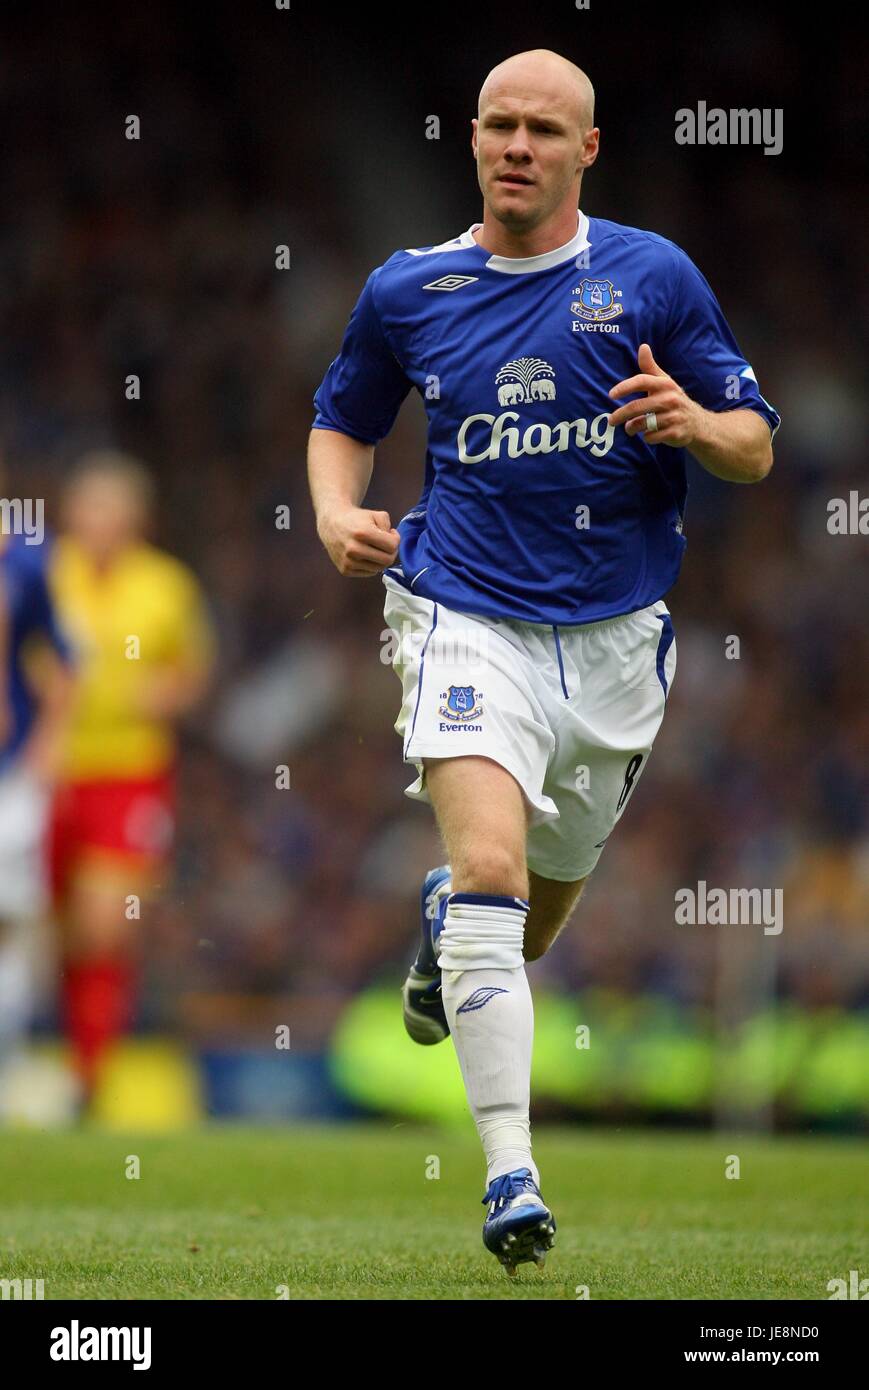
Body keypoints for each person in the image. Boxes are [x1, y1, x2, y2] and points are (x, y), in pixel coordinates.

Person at [308, 49, 780, 1274]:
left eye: (542, 129)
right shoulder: (408, 290)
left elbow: (753, 444)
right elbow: (342, 421)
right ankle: (510, 1170)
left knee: (532, 910)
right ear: (471, 137)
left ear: (585, 150)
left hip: (617, 641)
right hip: (461, 614)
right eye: (498, 125)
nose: (517, 145)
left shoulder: (650, 276)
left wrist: (692, 422)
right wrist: (331, 511)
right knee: (488, 865)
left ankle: (444, 933)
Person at [48, 451, 215, 1106]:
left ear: (137, 518)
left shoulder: (165, 586)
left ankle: (90, 1071)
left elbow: (193, 671)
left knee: (105, 924)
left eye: (113, 509)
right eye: (90, 507)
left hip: (130, 774)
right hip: (50, 770)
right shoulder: (43, 574)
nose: (99, 521)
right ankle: (78, 1057)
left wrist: (165, 694)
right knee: (52, 924)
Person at [0, 489, 75, 1107]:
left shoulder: (27, 564)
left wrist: (48, 744)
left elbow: (63, 657)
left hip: (12, 767)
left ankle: (10, 1054)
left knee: (15, 913)